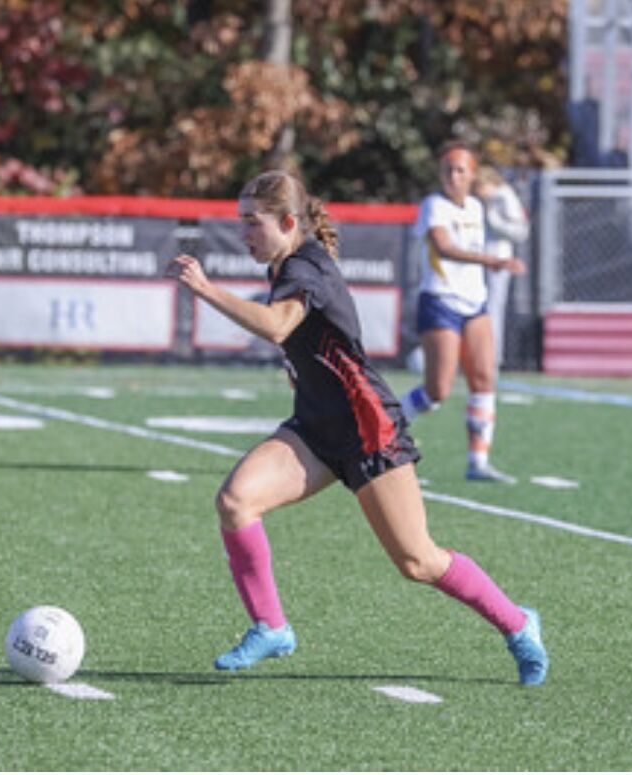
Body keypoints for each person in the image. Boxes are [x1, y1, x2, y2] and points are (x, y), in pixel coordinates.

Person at [166, 169, 548, 685]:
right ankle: (271, 626)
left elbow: (278, 324)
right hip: (316, 428)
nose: (244, 234)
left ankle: (519, 623)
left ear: (286, 221)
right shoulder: (285, 263)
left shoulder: (307, 266)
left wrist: (206, 290)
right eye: (241, 223)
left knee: (417, 560)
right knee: (235, 501)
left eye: (252, 223)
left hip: (370, 430)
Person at [399, 142, 527, 484]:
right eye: (448, 170)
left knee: (484, 378)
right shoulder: (433, 205)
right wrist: (494, 261)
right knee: (437, 390)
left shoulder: (475, 207)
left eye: (460, 170)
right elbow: (445, 248)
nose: (453, 177)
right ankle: (385, 429)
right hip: (440, 300)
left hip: (475, 302)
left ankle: (478, 462)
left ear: (472, 175)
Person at [474, 165, 530, 370]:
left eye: (480, 186)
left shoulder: (504, 196)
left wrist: (493, 219)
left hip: (499, 259)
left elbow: (520, 231)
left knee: (493, 307)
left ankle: (493, 355)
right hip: (481, 258)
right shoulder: (483, 200)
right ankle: (481, 351)